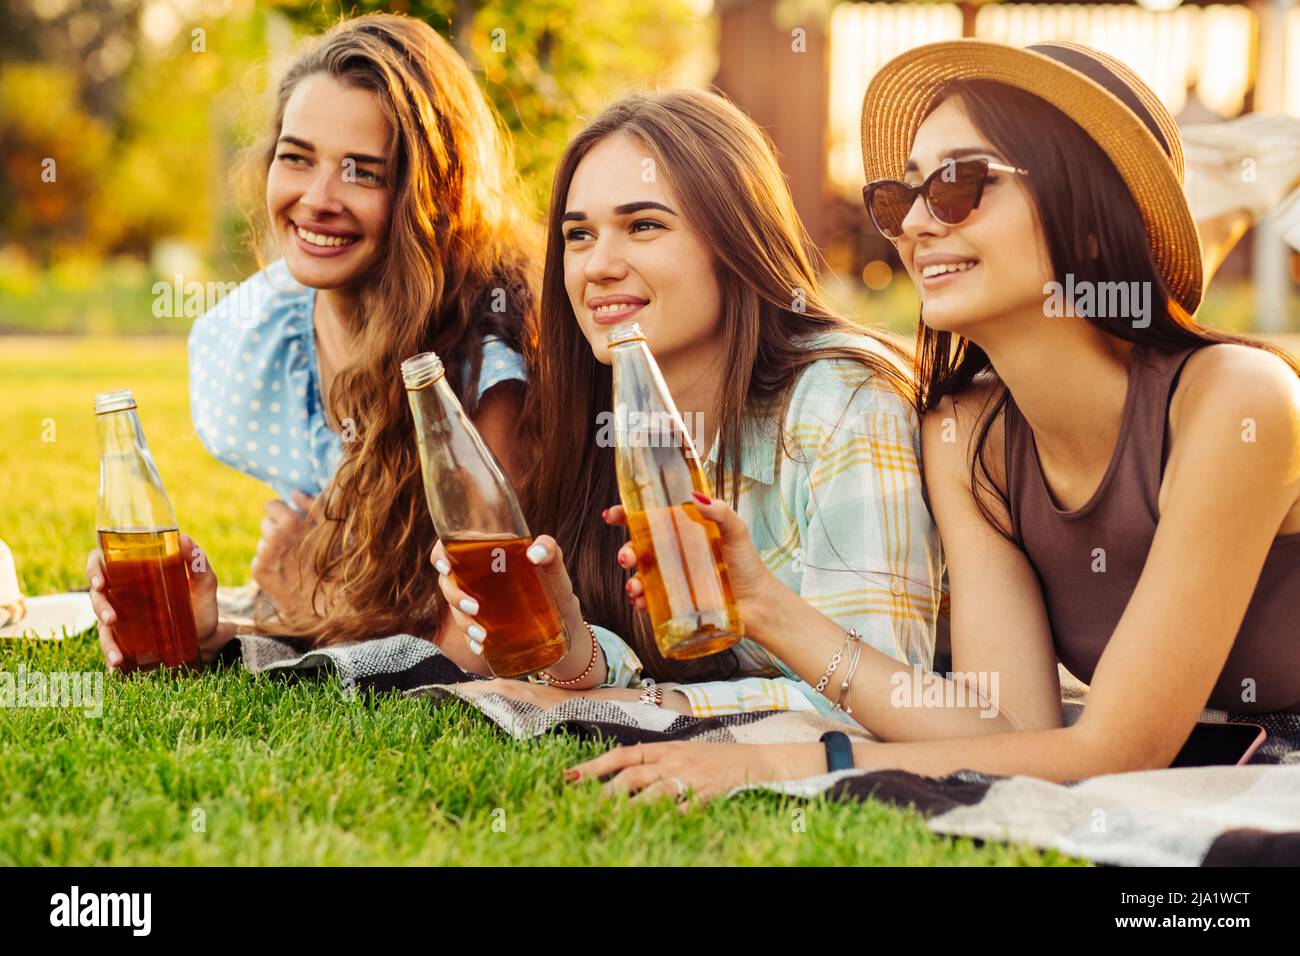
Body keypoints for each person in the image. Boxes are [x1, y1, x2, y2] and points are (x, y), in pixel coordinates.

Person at [564, 41, 1300, 804]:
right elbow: (1002, 733)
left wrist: (784, 764)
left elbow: (1115, 750)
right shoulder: (967, 435)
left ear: (1089, 214)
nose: (911, 224)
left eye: (957, 185)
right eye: (900, 197)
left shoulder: (1236, 401)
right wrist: (764, 607)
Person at [85, 14, 600, 687]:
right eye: (297, 158)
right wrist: (216, 633)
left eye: (363, 172)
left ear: (430, 196)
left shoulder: (486, 361)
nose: (316, 199)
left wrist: (315, 603)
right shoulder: (269, 331)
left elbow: (475, 653)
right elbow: (363, 607)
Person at [433, 89, 943, 713]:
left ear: (736, 240)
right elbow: (643, 662)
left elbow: (885, 696)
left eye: (643, 226)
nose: (598, 265)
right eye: (579, 235)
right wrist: (569, 644)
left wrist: (658, 708)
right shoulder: (604, 417)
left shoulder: (843, 405)